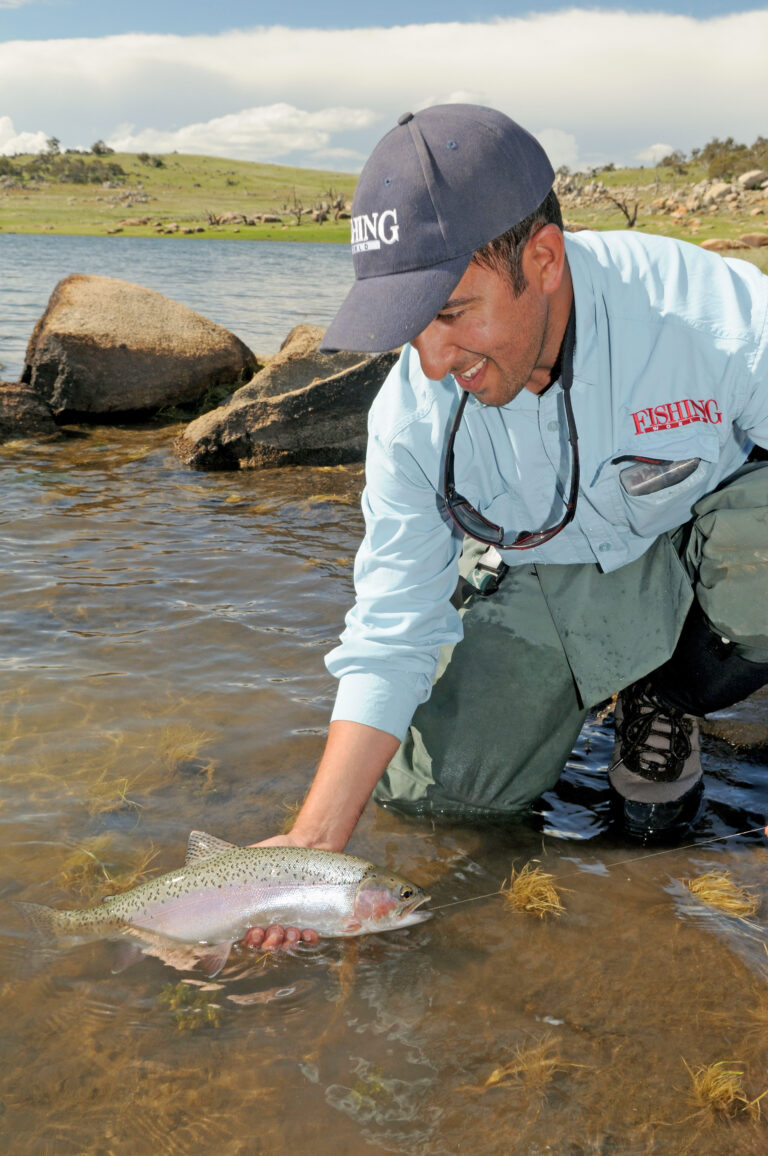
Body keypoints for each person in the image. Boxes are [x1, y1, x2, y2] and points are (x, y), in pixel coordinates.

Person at [248, 104, 768, 950]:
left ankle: (663, 697)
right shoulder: (410, 415)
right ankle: (600, 681)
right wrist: (314, 841)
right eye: (409, 324)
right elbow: (391, 629)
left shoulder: (711, 319)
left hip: (695, 533)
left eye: (452, 312)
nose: (431, 359)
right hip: (546, 575)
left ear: (544, 260)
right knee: (437, 799)